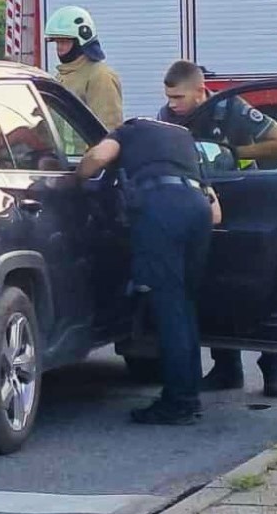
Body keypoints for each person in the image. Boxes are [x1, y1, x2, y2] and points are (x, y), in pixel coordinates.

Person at [158, 59, 277, 397]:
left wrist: (232, 151)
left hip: (242, 197)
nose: (172, 104)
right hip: (201, 205)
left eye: (178, 98)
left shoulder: (229, 108)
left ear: (199, 91)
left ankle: (272, 368)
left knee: (258, 282)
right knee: (214, 283)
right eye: (169, 98)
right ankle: (226, 366)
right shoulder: (167, 116)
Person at [78, 116, 223, 423]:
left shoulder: (129, 129)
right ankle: (189, 394)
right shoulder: (185, 139)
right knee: (184, 306)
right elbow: (216, 213)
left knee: (169, 308)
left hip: (160, 208)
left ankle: (179, 403)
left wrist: (78, 174)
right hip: (198, 210)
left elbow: (98, 158)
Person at [46, 5, 124, 131]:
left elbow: (108, 129)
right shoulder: (62, 76)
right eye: (57, 42)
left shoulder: (100, 76)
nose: (59, 48)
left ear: (81, 41)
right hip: (64, 152)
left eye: (64, 41)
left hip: (91, 151)